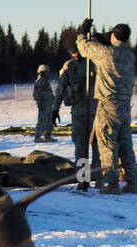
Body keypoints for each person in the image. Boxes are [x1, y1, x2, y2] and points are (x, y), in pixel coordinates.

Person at [75, 20, 137, 195]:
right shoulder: (129, 56)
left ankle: (111, 184)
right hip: (125, 106)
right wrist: (105, 40)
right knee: (125, 145)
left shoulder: (106, 53)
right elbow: (113, 50)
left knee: (107, 144)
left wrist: (81, 33)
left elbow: (84, 48)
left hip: (108, 104)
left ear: (113, 35)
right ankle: (132, 182)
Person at [54, 48, 97, 191]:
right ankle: (85, 180)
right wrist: (55, 110)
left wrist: (55, 109)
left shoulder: (94, 64)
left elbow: (60, 90)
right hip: (82, 112)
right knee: (83, 147)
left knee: (93, 146)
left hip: (92, 112)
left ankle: (94, 179)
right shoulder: (72, 67)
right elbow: (61, 90)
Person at [33, 64, 56, 142]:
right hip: (43, 105)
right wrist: (41, 103)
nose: (48, 73)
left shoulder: (45, 81)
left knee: (49, 121)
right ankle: (37, 137)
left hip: (48, 105)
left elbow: (49, 93)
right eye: (46, 72)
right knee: (42, 121)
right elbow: (36, 95)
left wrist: (53, 99)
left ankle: (48, 136)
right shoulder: (39, 82)